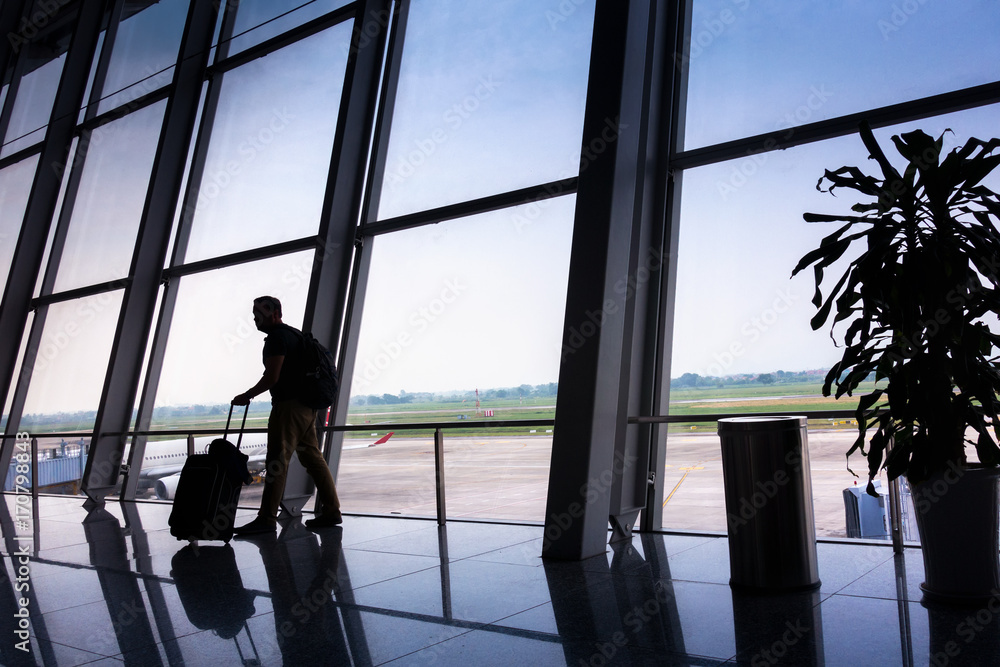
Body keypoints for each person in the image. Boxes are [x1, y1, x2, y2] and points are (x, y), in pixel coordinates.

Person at [232, 295, 343, 534]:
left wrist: (247, 395)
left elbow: (272, 377)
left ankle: (266, 518)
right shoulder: (295, 335)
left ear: (274, 314)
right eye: (254, 313)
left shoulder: (277, 338)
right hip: (307, 406)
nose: (255, 318)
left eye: (259, 314)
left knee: (277, 462)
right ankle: (331, 510)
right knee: (313, 459)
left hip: (289, 407)